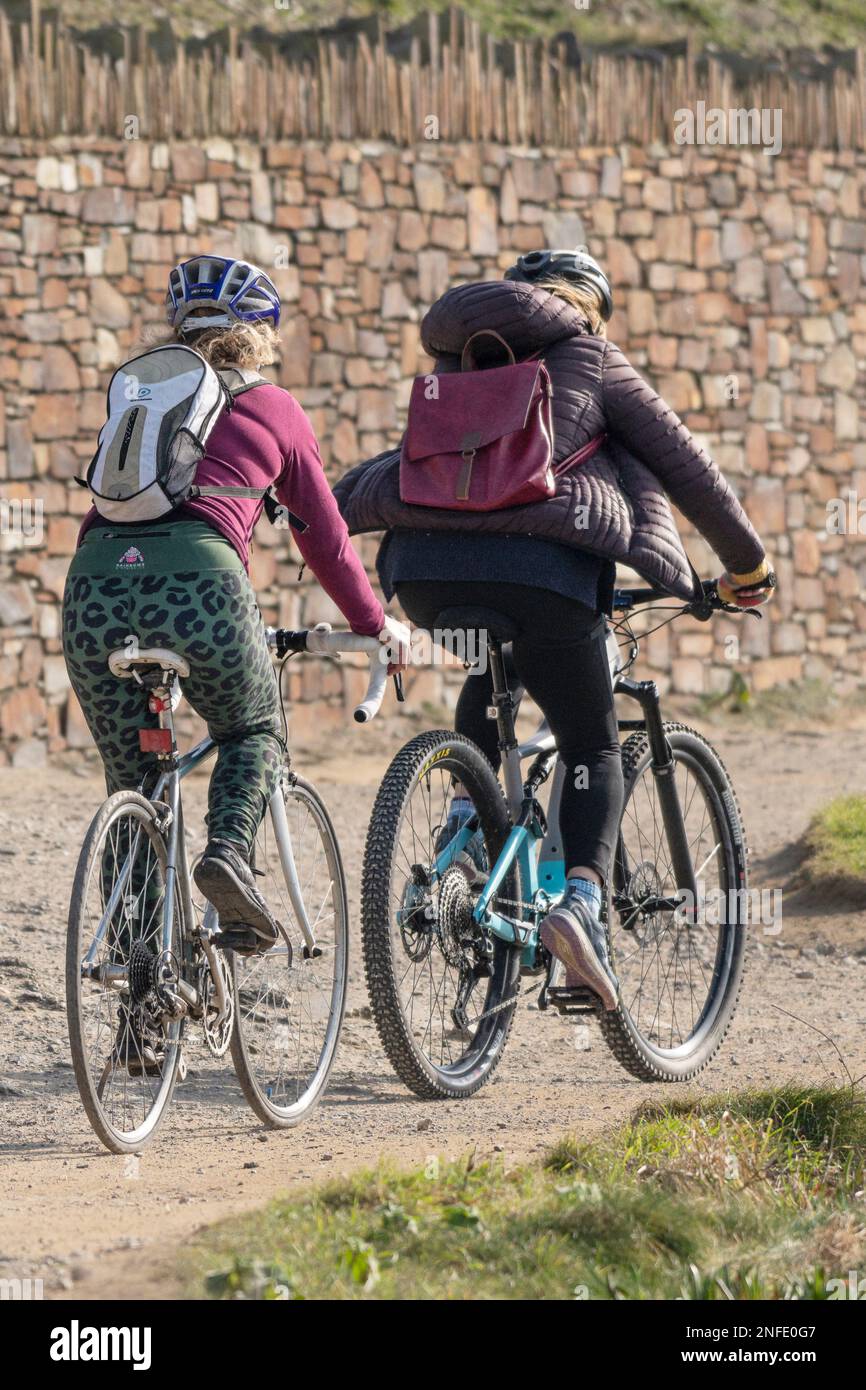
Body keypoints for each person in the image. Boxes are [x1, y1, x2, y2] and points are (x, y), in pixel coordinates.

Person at [335, 249, 775, 1011]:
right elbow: (686, 465)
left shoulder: (461, 356)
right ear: (589, 307)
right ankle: (578, 905)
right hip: (547, 577)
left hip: (425, 576)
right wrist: (747, 566)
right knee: (592, 743)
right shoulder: (592, 356)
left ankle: (466, 827)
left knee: (489, 661)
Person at [64, 254, 406, 974]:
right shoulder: (273, 408)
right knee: (252, 730)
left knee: (133, 786)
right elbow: (327, 539)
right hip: (204, 588)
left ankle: (140, 996)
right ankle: (227, 854)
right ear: (261, 333)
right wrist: (376, 625)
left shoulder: (139, 401)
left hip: (93, 591)